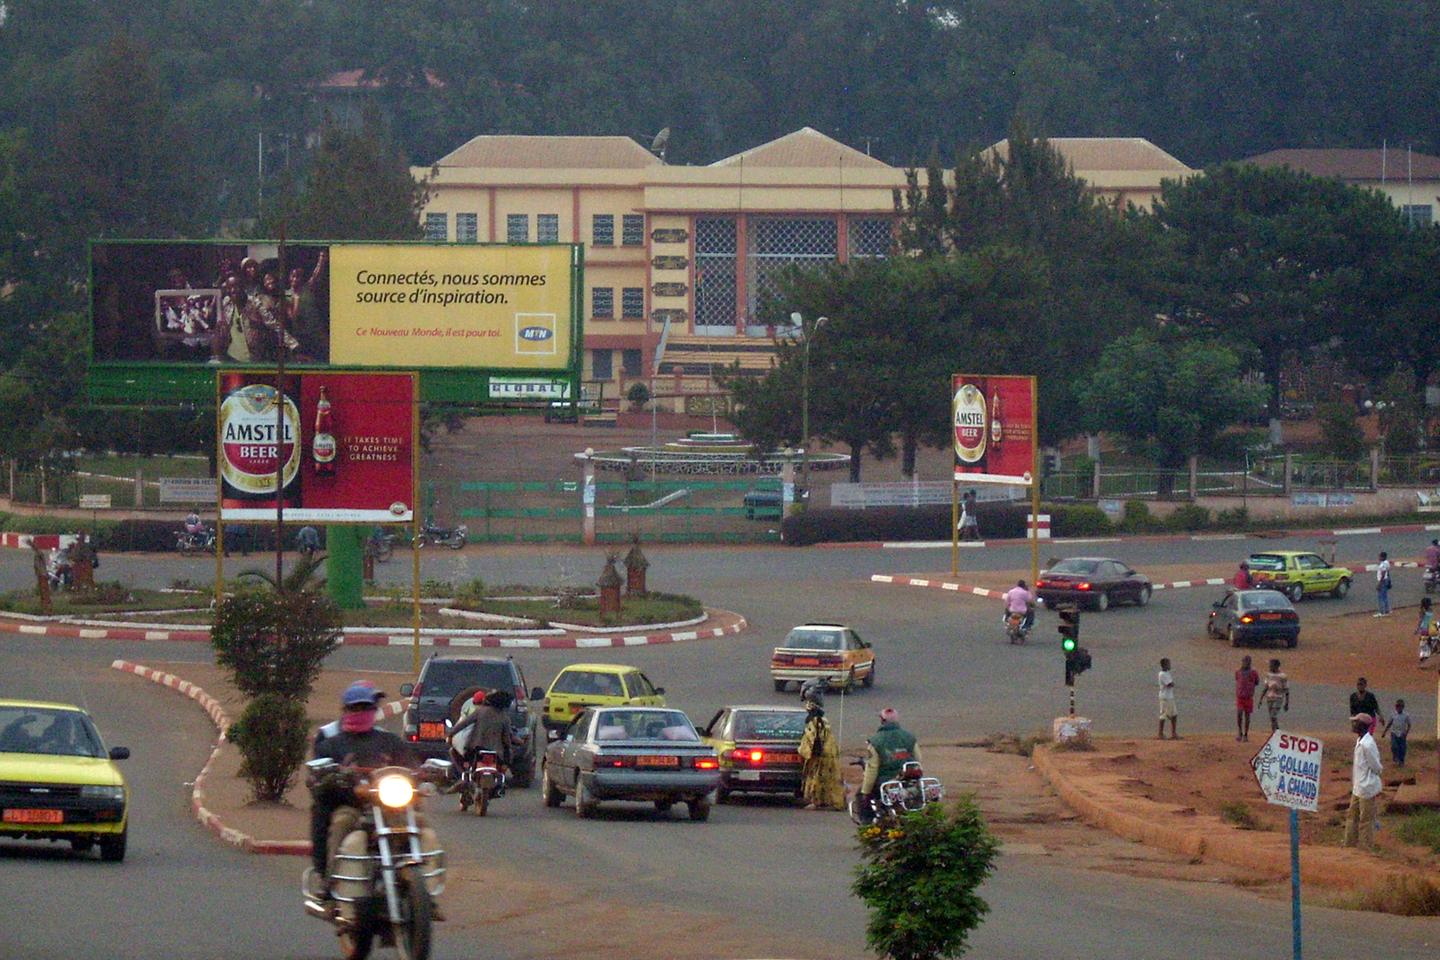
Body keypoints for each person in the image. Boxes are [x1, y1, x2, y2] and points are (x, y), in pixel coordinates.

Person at [308, 682, 419, 896]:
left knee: (420, 824)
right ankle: (329, 882)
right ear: (345, 710)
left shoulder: (387, 739)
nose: (362, 712)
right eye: (355, 708)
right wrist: (340, 782)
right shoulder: (332, 742)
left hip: (389, 806)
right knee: (340, 824)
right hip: (351, 805)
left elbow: (409, 764)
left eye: (366, 708)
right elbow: (318, 777)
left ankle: (421, 885)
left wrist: (421, 776)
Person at [859, 707, 920, 823]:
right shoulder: (909, 737)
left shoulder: (875, 741)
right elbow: (918, 759)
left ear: (882, 721)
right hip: (909, 778)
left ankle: (867, 824)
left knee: (863, 796)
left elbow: (872, 769)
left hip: (887, 780)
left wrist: (865, 792)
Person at [1341, 711, 1383, 851]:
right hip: (1358, 787)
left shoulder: (1367, 744)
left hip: (1366, 788)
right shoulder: (1360, 741)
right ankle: (1349, 845)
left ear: (1362, 725)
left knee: (1366, 820)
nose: (1353, 724)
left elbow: (1376, 766)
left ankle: (1366, 849)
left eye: (1355, 722)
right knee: (1352, 817)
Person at [448, 688, 513, 774]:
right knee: (509, 756)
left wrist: (450, 734)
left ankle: (464, 774)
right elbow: (507, 739)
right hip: (497, 753)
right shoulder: (505, 717)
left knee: (456, 754)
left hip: (476, 750)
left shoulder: (480, 711)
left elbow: (463, 724)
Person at [798, 696, 843, 811]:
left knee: (816, 779)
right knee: (830, 779)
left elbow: (811, 739)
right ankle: (835, 802)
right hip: (830, 753)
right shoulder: (823, 720)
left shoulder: (814, 721)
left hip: (819, 754)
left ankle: (816, 802)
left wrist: (803, 751)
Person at [1234, 655, 1260, 742]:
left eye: (1248, 662)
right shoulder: (1238, 672)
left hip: (1248, 697)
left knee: (1247, 716)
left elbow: (1257, 682)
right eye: (1245, 662)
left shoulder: (1253, 673)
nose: (1246, 664)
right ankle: (1240, 732)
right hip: (1240, 697)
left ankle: (1245, 734)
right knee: (1239, 714)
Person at [1260, 659, 1289, 732]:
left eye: (1271, 665)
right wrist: (1261, 699)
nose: (1269, 667)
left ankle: (1276, 732)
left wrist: (1286, 703)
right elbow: (1266, 687)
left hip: (1278, 698)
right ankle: (1276, 731)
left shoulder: (1283, 676)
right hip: (1269, 698)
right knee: (1272, 717)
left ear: (1276, 666)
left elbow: (1286, 690)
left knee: (1273, 716)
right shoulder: (1268, 675)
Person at [1384, 699, 1411, 768]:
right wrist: (1384, 732)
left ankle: (1401, 761)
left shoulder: (1406, 715)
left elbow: (1409, 725)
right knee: (1394, 746)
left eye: (1400, 706)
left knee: (1402, 748)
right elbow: (1389, 723)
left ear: (1403, 707)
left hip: (1402, 734)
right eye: (1397, 706)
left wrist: (1406, 733)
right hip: (1394, 733)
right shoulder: (1393, 714)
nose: (1399, 708)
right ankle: (1395, 757)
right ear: (1395, 707)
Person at [1157, 658, 1178, 740]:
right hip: (1165, 697)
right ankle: (1160, 733)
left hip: (1170, 696)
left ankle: (1173, 733)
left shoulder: (1167, 673)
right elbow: (1170, 684)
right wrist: (1172, 684)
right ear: (1165, 665)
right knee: (1163, 715)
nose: (1170, 665)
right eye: (1168, 664)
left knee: (1174, 715)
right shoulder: (1162, 674)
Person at [1374, 551, 1392, 617]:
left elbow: (1383, 574)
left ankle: (1382, 612)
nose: (1378, 557)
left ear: (1383, 557)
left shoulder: (1383, 564)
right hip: (1386, 580)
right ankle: (1387, 611)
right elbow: (1388, 573)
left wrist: (1379, 584)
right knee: (1385, 596)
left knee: (1381, 597)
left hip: (1383, 581)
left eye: (1379, 556)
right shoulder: (1387, 563)